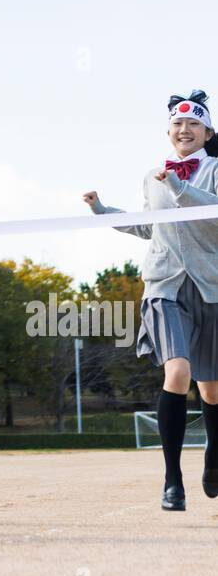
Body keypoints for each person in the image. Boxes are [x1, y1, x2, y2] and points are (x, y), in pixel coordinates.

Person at [84, 90, 218, 511]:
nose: (185, 130)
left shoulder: (215, 171)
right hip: (165, 287)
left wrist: (180, 188)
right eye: (178, 125)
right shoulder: (153, 175)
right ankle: (172, 480)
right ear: (168, 132)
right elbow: (149, 227)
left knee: (211, 389)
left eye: (194, 123)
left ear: (207, 131)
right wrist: (105, 211)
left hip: (210, 289)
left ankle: (214, 453)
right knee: (177, 371)